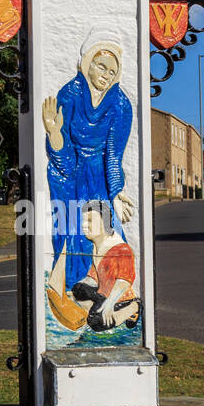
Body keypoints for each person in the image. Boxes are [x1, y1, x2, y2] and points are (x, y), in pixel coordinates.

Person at [42, 33, 134, 323]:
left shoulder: (121, 105)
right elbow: (64, 160)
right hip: (68, 177)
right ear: (86, 63)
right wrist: (55, 133)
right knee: (68, 228)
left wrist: (116, 190)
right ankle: (69, 292)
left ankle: (112, 297)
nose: (105, 75)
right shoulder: (69, 95)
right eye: (100, 66)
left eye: (111, 70)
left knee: (101, 230)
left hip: (99, 175)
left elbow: (113, 154)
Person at [71, 201, 141, 332]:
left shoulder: (121, 249)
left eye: (90, 221)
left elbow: (123, 282)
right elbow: (94, 277)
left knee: (96, 322)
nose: (84, 225)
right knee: (78, 289)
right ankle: (99, 305)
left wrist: (109, 305)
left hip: (119, 298)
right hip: (103, 294)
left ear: (104, 222)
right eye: (84, 220)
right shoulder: (97, 247)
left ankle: (133, 307)